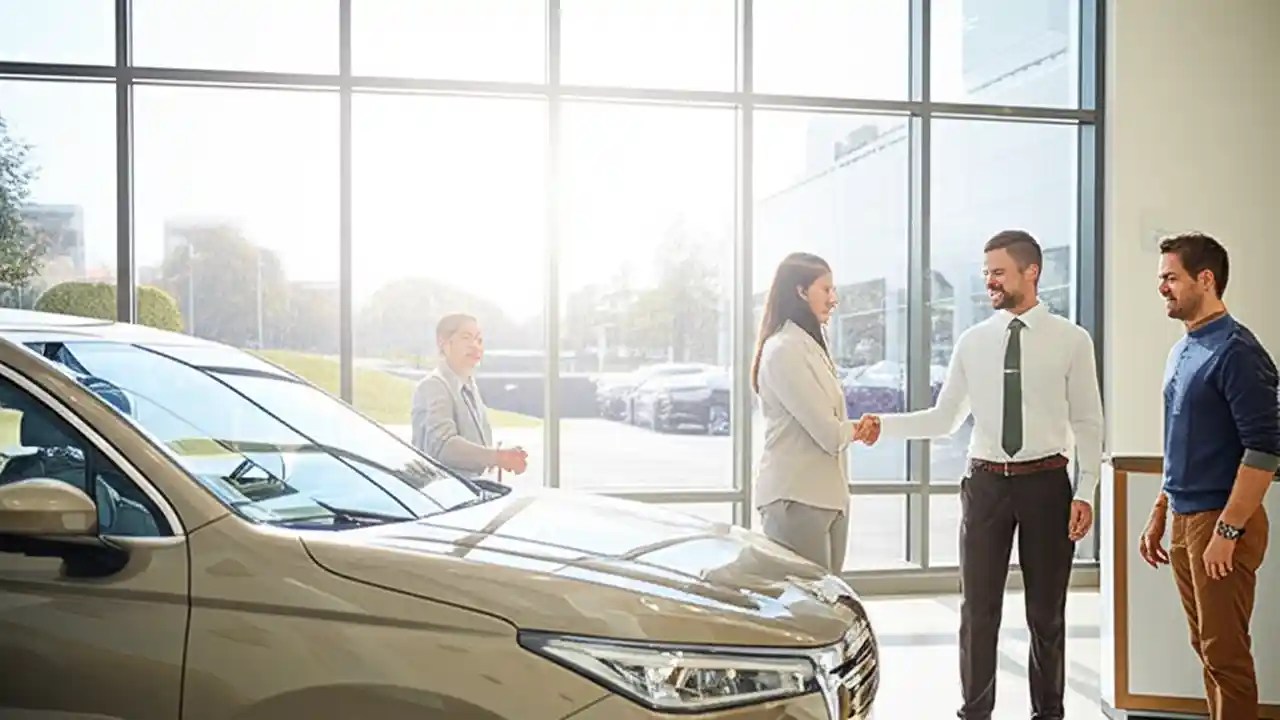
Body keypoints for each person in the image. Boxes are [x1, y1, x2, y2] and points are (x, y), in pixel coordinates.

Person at [857, 230, 1104, 720]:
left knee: (1046, 615)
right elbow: (944, 418)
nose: (988, 280)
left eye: (998, 271)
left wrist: (1087, 490)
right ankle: (975, 712)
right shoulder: (974, 342)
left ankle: (1049, 713)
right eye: (986, 271)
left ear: (1031, 272)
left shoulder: (1072, 341)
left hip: (1047, 484)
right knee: (977, 611)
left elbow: (1088, 421)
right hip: (986, 484)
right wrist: (883, 426)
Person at [1138, 232, 1277, 720]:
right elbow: (1183, 441)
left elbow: (1265, 449)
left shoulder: (1238, 351)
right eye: (1161, 280)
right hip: (1184, 518)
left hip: (1220, 522)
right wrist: (1160, 511)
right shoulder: (1183, 350)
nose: (1163, 288)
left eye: (1170, 278)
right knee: (1207, 649)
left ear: (1206, 279)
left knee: (1227, 657)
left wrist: (1229, 530)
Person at [750, 252, 862, 573]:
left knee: (829, 605)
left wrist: (851, 429)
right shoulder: (784, 349)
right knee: (805, 609)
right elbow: (828, 433)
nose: (833, 299)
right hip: (796, 499)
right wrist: (856, 429)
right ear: (800, 291)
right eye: (825, 290)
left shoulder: (810, 346)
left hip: (828, 497)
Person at [411, 313, 527, 480]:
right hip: (444, 496)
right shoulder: (434, 386)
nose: (476, 346)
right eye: (467, 338)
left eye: (479, 340)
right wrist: (498, 457)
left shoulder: (469, 386)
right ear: (443, 343)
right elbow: (444, 447)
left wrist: (502, 456)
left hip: (472, 492)